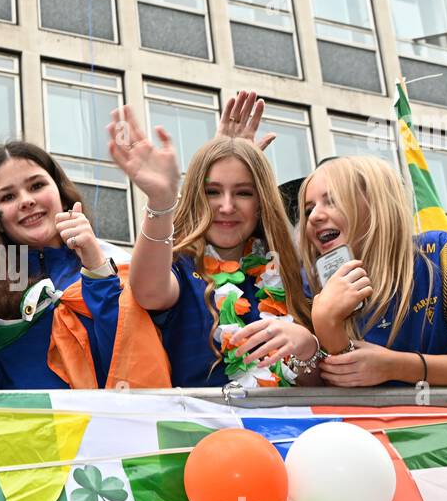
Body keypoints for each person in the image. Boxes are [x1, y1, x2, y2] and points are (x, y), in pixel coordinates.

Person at [107, 93, 319, 388]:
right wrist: (161, 200)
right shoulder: (181, 267)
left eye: (243, 192)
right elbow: (148, 291)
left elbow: (319, 388)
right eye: (213, 192)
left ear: (261, 203)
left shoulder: (290, 272)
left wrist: (307, 348)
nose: (227, 206)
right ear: (196, 196)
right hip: (201, 432)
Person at [299, 156, 447, 387]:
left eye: (333, 201)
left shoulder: (437, 253)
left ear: (377, 203)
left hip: (438, 421)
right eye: (308, 210)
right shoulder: (307, 284)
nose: (315, 216)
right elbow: (346, 382)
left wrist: (394, 366)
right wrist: (327, 323)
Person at [0, 141, 128, 389]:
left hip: (104, 425)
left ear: (61, 193)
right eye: (8, 196)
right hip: (21, 426)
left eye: (36, 186)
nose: (26, 201)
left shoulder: (116, 264)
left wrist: (97, 268)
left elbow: (128, 365)